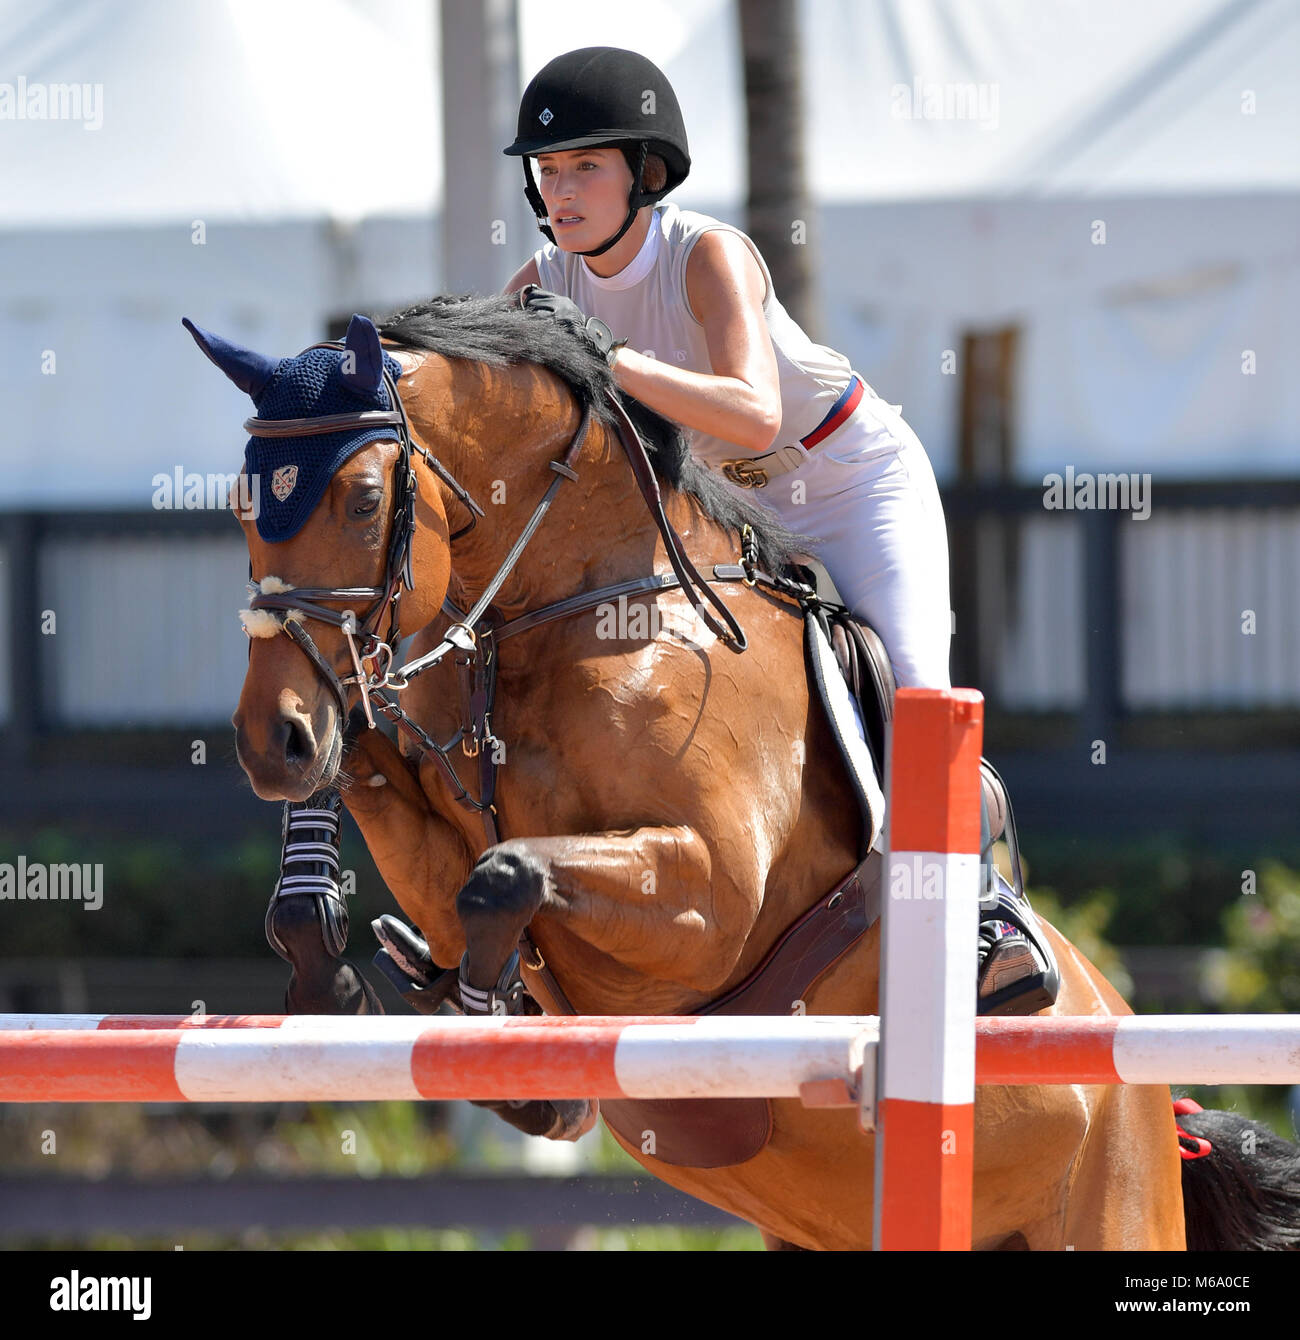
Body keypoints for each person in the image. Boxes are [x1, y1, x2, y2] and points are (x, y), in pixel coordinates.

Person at [501, 46, 1055, 1015]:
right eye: (548, 171)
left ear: (647, 172)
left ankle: (986, 915)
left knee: (917, 687)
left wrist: (608, 354)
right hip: (732, 513)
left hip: (849, 478)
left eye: (585, 166)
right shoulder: (539, 282)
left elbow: (753, 416)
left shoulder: (705, 253)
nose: (562, 189)